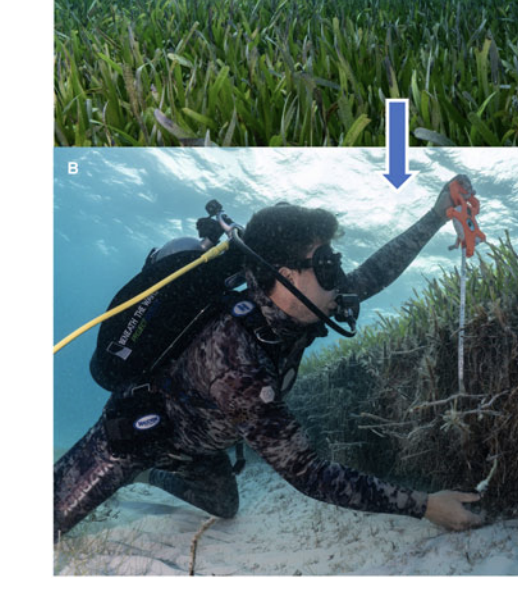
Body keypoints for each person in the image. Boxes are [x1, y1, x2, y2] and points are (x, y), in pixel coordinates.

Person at [54, 175, 481, 541]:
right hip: (132, 440)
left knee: (225, 506)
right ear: (288, 275)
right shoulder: (235, 361)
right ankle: (136, 470)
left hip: (200, 450)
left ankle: (154, 477)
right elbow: (309, 472)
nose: (338, 275)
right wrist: (426, 506)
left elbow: (372, 275)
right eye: (327, 263)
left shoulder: (303, 303)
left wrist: (436, 213)